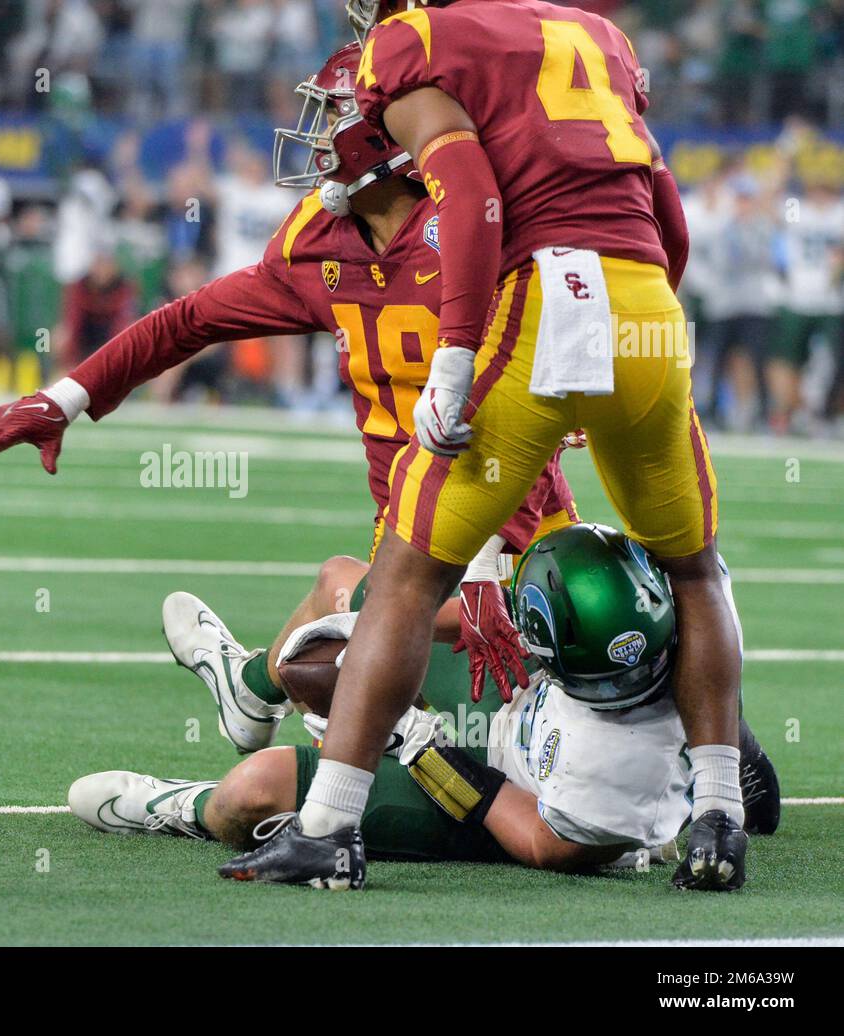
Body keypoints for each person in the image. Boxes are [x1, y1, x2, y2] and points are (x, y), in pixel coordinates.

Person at [225, 0, 748, 893]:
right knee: (694, 568)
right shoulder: (599, 36)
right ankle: (720, 814)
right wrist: (637, 330)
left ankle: (329, 829)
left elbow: (472, 196)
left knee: (405, 571)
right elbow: (666, 207)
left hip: (544, 298)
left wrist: (458, 356)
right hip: (645, 300)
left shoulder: (414, 41)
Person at [0, 43, 573, 719]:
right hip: (408, 532)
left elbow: (527, 407)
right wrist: (65, 398)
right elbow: (187, 321)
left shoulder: (478, 228)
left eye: (330, 115)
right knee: (380, 730)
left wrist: (487, 562)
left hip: (518, 522)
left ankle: (250, 690)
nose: (313, 136)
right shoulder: (317, 242)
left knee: (568, 664)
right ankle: (258, 701)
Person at [69, 525, 781, 879]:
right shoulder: (662, 605)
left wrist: (412, 736)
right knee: (348, 581)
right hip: (515, 709)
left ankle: (182, 807)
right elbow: (502, 615)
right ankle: (248, 691)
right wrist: (376, 632)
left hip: (503, 801)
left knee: (249, 790)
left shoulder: (618, 779)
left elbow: (534, 838)